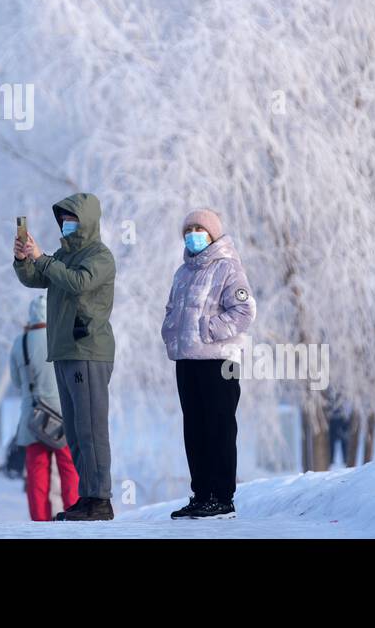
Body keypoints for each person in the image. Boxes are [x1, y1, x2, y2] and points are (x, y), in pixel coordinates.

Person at [13, 192, 117, 521]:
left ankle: (100, 499)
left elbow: (78, 283)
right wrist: (24, 260)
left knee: (91, 427)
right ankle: (88, 496)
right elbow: (37, 278)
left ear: (85, 221)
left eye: (72, 219)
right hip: (65, 351)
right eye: (64, 219)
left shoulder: (99, 256)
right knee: (74, 430)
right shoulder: (63, 255)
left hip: (87, 349)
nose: (66, 224)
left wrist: (43, 258)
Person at [161, 208, 256, 520]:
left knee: (219, 428)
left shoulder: (228, 268)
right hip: (187, 360)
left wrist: (208, 330)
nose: (193, 234)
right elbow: (172, 308)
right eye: (189, 229)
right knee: (195, 429)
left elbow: (243, 311)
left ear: (213, 233)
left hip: (218, 361)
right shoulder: (182, 272)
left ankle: (222, 496)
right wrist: (170, 331)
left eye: (200, 228)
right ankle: (201, 494)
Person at [10, 292, 80, 521]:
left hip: (34, 420)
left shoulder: (20, 343)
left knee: (36, 477)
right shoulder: (63, 337)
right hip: (63, 419)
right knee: (69, 471)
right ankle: (72, 516)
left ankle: (39, 524)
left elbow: (16, 382)